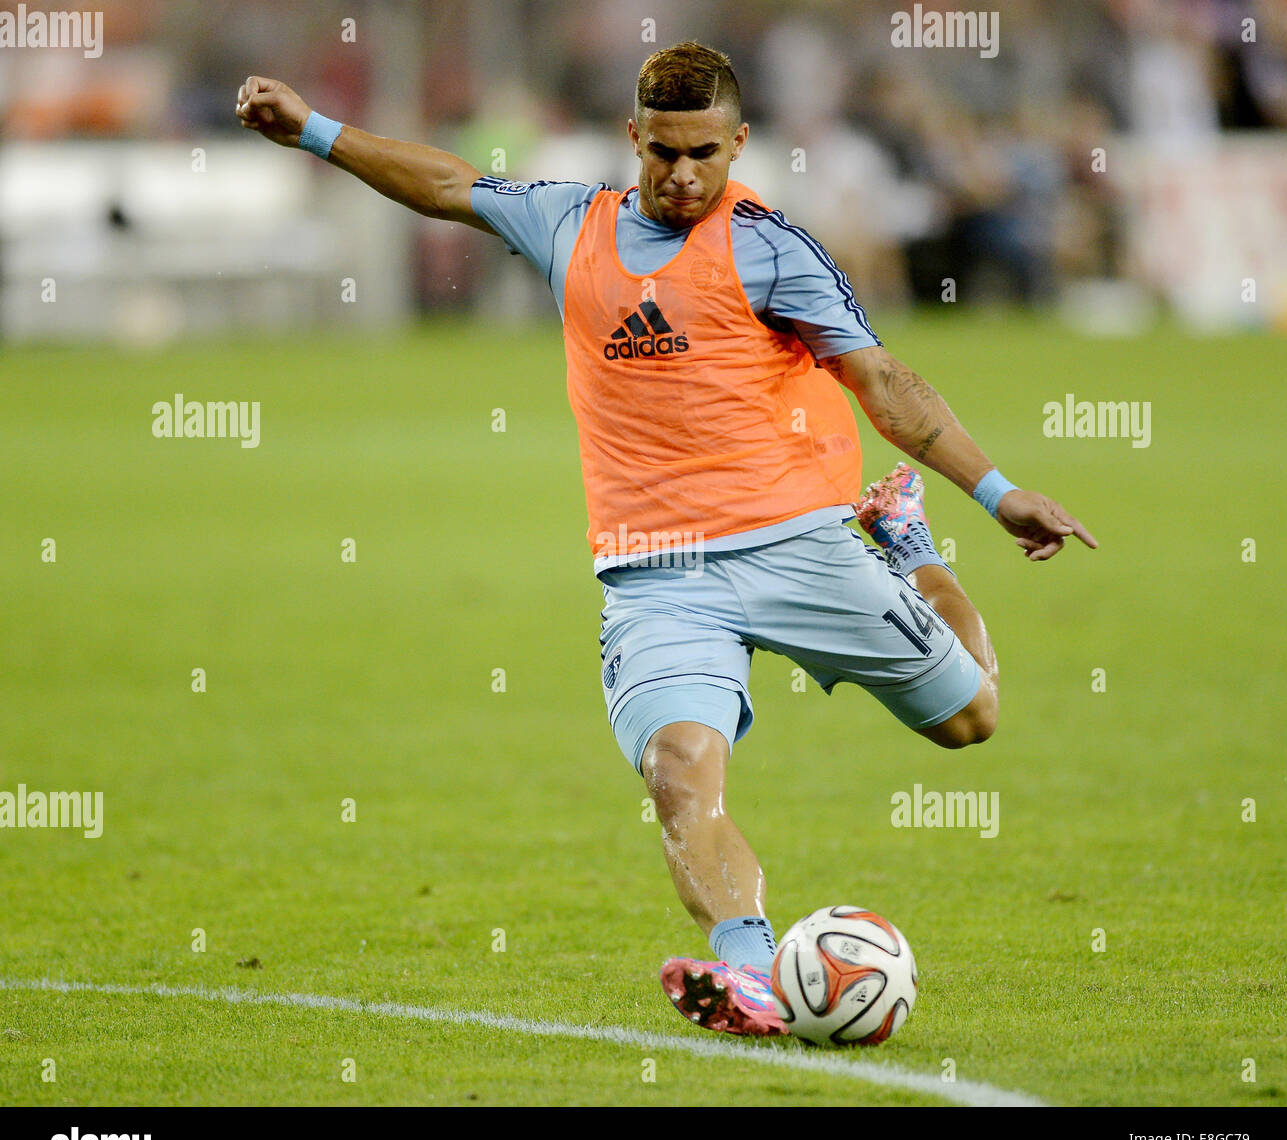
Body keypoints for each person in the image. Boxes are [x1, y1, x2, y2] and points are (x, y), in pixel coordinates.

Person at [236, 41, 1096, 1037]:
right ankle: (751, 975)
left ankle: (910, 546)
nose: (682, 176)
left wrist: (995, 493)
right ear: (632, 137)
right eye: (663, 153)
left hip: (798, 546)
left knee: (971, 719)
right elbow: (449, 183)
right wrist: (311, 130)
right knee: (679, 771)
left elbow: (883, 384)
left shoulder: (771, 247)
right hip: (654, 573)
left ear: (737, 144)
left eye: (703, 155)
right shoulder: (570, 222)